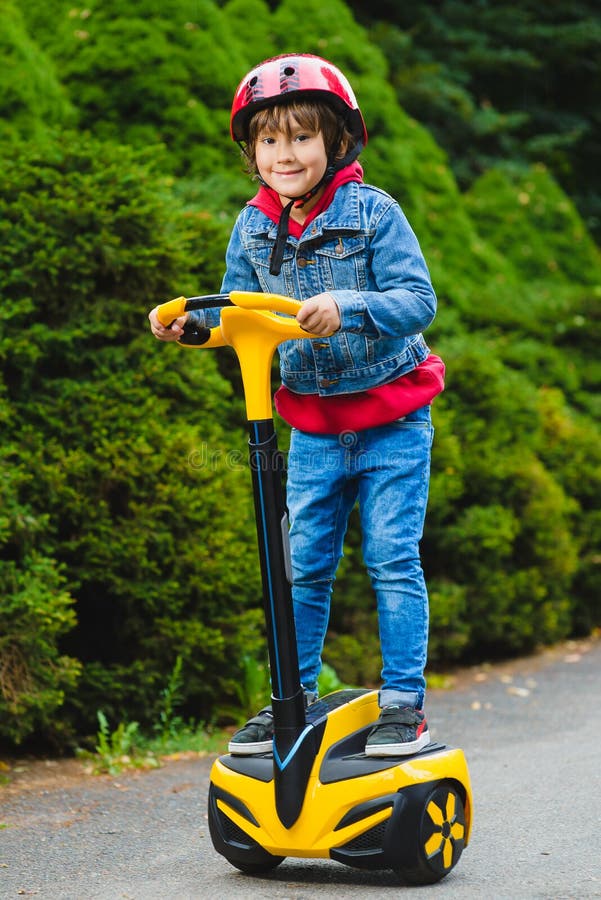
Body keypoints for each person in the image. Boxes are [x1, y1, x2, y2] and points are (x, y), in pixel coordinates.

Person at [149, 54, 445, 757]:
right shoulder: (250, 227)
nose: (286, 153)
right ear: (251, 151)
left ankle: (403, 704)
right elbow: (233, 313)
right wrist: (189, 327)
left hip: (391, 420)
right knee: (303, 564)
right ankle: (294, 697)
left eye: (302, 137)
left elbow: (418, 302)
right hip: (312, 427)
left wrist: (345, 306)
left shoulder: (374, 213)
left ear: (337, 141)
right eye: (270, 140)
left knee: (390, 558)